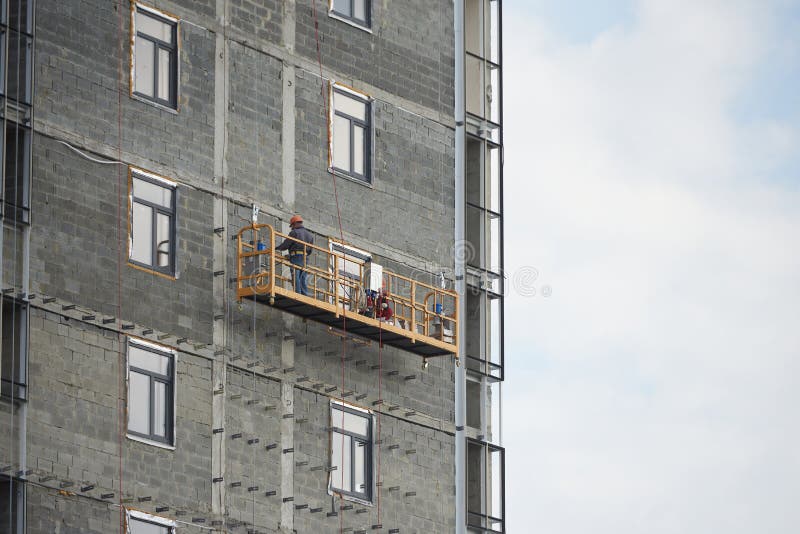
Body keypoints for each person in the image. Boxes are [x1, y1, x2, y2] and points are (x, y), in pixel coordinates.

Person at [275, 214, 314, 296]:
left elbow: (286, 245)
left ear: (295, 224)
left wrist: (276, 248)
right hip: (305, 258)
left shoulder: (294, 232)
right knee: (303, 277)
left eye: (292, 226)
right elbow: (310, 250)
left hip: (296, 257)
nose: (291, 228)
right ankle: (304, 295)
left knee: (296, 276)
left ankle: (298, 294)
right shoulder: (310, 236)